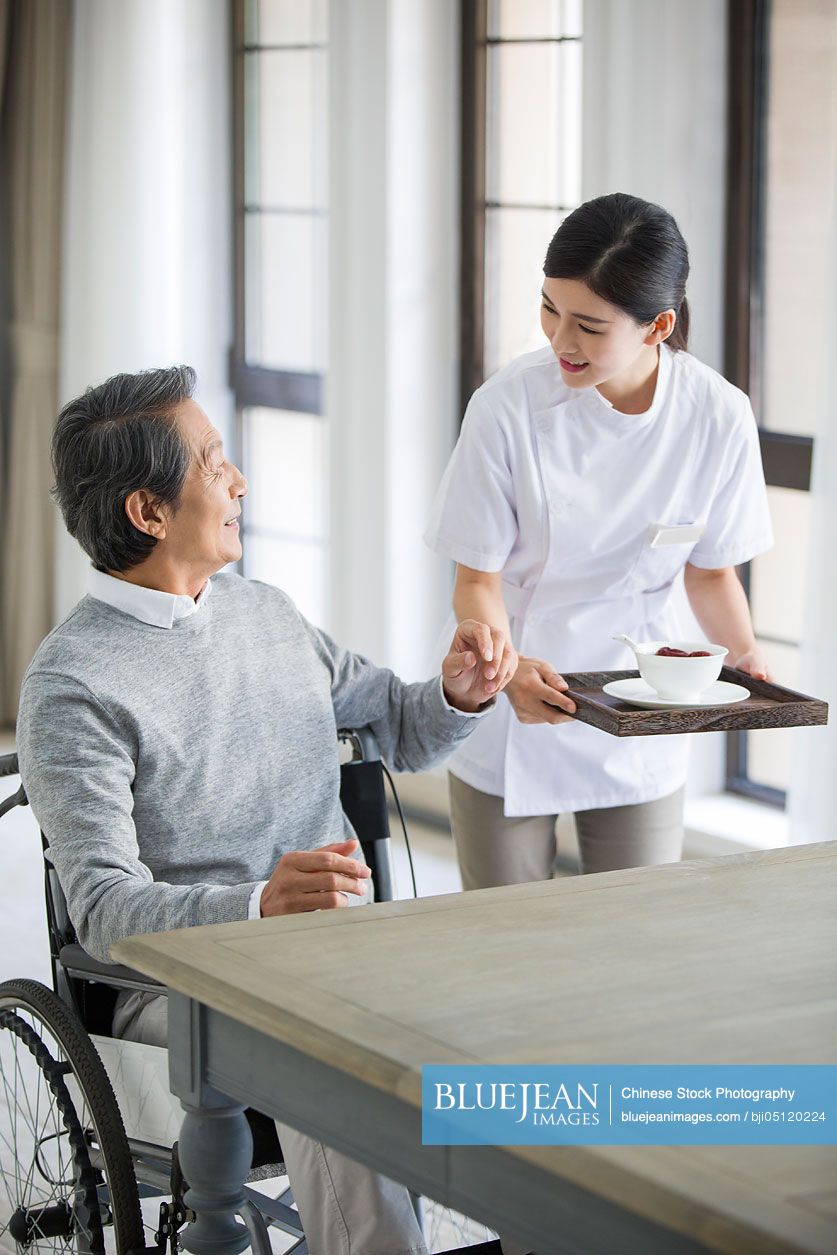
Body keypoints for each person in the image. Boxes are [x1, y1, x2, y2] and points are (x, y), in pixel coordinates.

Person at [16, 364, 517, 1255]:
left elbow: (398, 724)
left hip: (341, 950)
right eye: (214, 463)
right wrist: (255, 903)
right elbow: (101, 906)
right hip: (185, 980)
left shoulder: (266, 613)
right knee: (321, 1040)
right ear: (149, 512)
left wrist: (459, 691)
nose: (240, 480)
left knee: (518, 1003)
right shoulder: (72, 684)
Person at [425, 192, 773, 890]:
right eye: (549, 309)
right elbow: (477, 581)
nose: (559, 340)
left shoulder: (716, 415)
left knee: (634, 939)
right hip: (514, 687)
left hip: (640, 698)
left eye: (588, 324)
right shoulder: (506, 406)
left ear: (658, 326)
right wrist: (507, 669)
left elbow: (709, 574)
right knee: (505, 943)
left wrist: (744, 660)